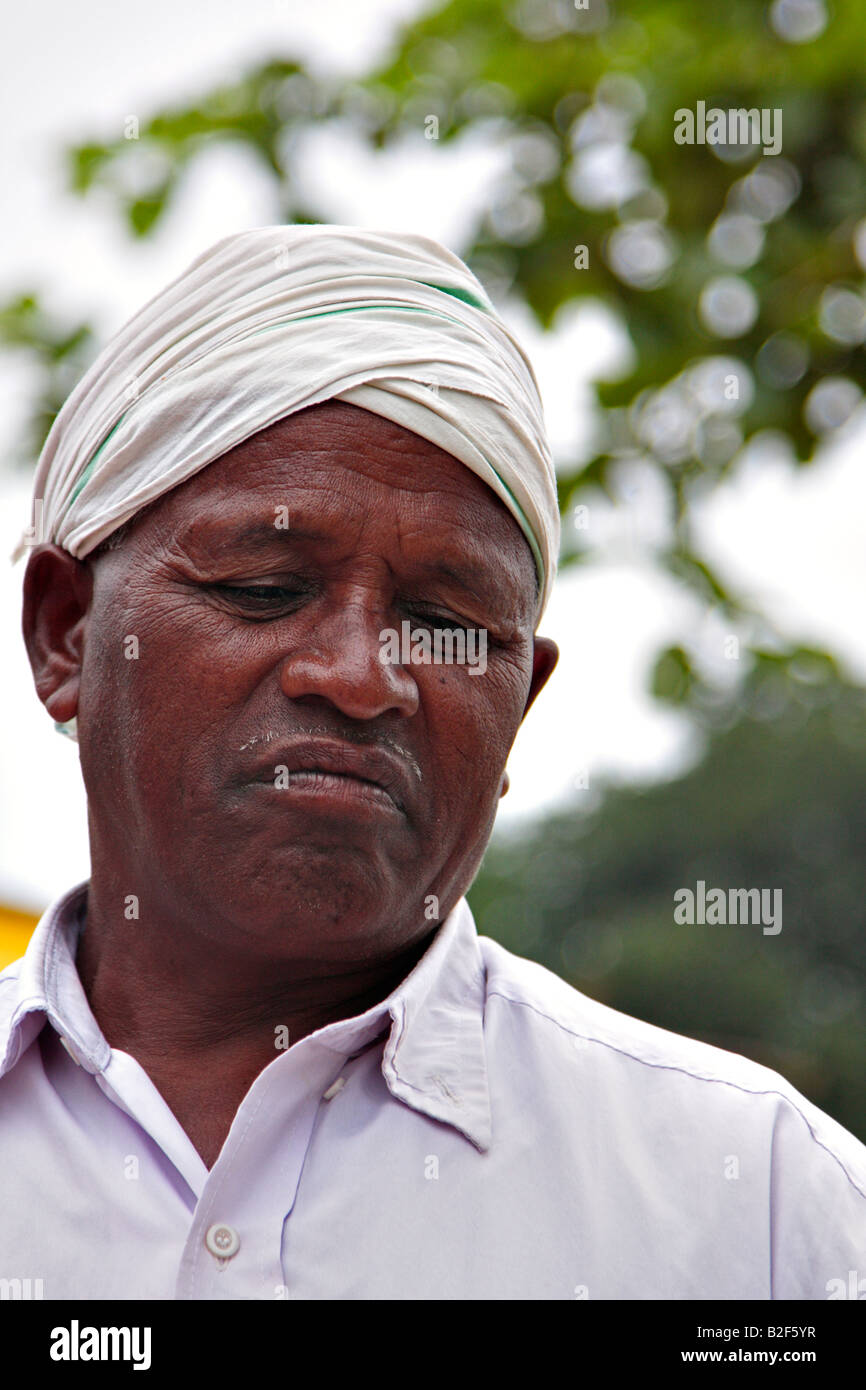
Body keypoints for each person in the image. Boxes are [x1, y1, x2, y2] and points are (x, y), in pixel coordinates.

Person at [2, 225, 864, 1301]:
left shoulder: (765, 1210)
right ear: (67, 632)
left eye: (447, 622)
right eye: (263, 588)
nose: (361, 676)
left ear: (519, 704)